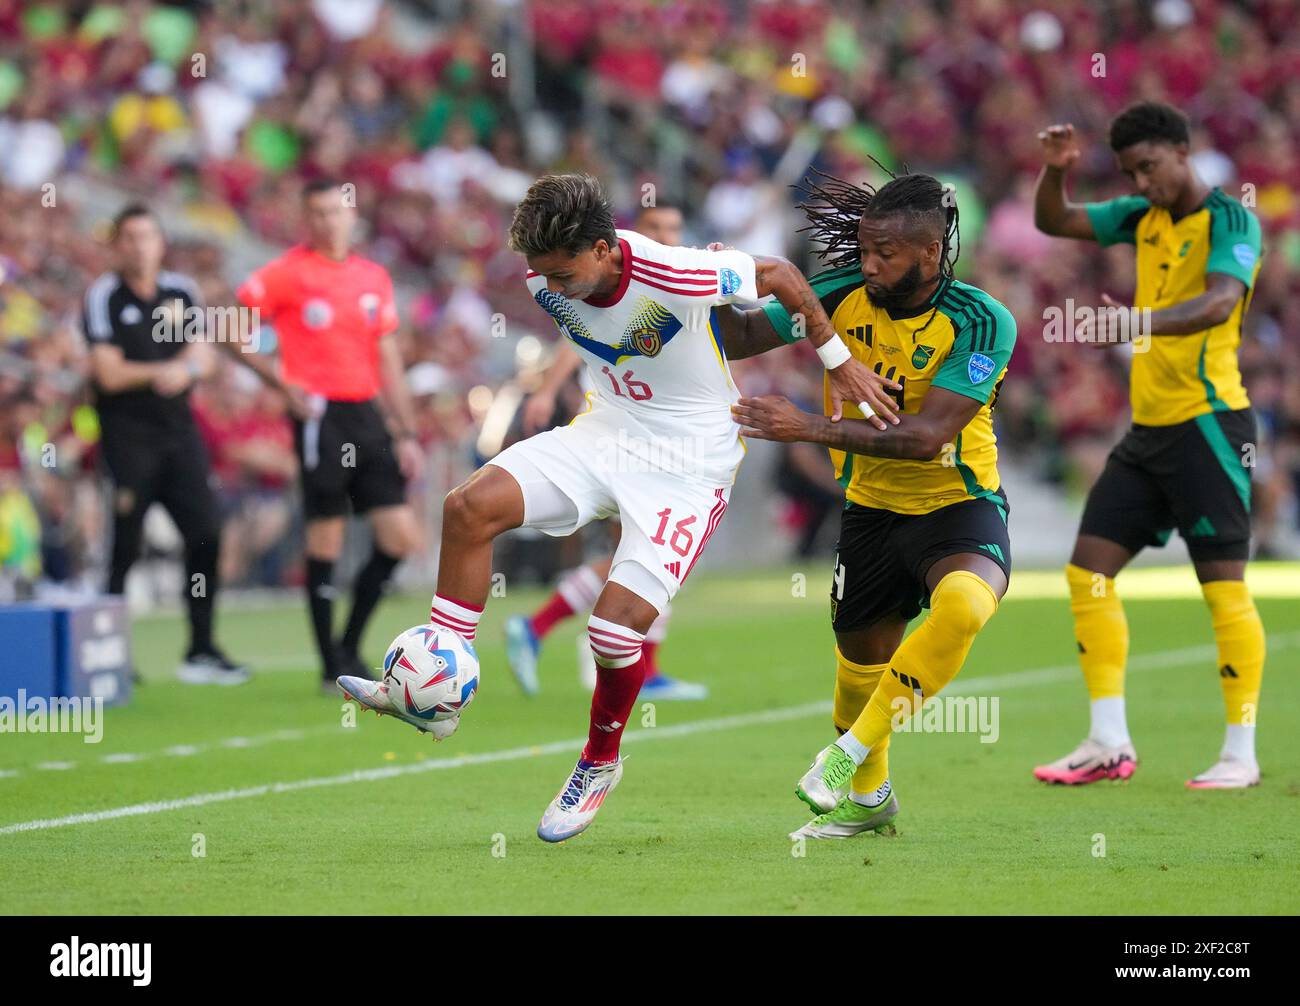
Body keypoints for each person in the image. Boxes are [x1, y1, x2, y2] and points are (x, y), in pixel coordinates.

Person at [338, 173, 899, 843]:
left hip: (689, 465)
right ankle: (437, 675)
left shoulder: (670, 271)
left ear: (605, 250)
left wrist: (836, 362)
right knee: (468, 507)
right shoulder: (546, 278)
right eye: (540, 271)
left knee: (612, 633)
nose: (552, 284)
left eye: (563, 271)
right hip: (606, 436)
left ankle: (599, 764)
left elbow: (778, 274)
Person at [721, 169, 1017, 839]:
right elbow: (737, 338)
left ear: (930, 253)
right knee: (858, 668)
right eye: (864, 249)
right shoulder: (839, 293)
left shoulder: (980, 320)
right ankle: (870, 796)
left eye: (885, 253)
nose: (870, 263)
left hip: (957, 503)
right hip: (870, 513)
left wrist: (807, 427)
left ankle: (844, 758)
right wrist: (709, 279)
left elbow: (923, 438)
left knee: (965, 605)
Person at [1032, 103, 1265, 789]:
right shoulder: (1142, 216)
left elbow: (1220, 302)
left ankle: (1241, 754)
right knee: (1088, 574)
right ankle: (1107, 740)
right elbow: (1056, 220)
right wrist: (1054, 172)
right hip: (1150, 432)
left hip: (1210, 426)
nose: (1143, 182)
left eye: (1151, 167)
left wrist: (1135, 319)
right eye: (1133, 172)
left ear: (1183, 151)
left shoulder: (1230, 220)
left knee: (1222, 590)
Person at [504, 200, 705, 701]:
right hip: (627, 441)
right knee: (642, 556)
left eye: (675, 228)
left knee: (638, 556)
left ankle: (545, 630)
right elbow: (575, 342)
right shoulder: (615, 289)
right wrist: (549, 392)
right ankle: (555, 633)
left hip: (672, 443)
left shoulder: (677, 281)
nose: (668, 236)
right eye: (658, 228)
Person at [234, 179, 424, 692]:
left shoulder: (373, 277)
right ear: (305, 218)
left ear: (351, 215)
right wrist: (279, 380)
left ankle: (348, 645)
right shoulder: (288, 273)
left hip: (367, 414)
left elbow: (387, 357)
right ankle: (330, 665)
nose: (326, 221)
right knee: (327, 537)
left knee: (400, 537)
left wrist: (405, 430)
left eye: (334, 212)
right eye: (315, 213)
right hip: (320, 415)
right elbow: (232, 325)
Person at [84, 203, 247, 683]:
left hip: (179, 435)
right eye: (130, 237)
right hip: (127, 438)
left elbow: (206, 355)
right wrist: (164, 370)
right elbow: (107, 373)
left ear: (161, 243)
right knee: (125, 546)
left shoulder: (181, 291)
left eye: (148, 237)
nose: (139, 246)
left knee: (206, 534)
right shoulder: (105, 296)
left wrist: (190, 368)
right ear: (117, 244)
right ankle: (108, 654)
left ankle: (200, 648)